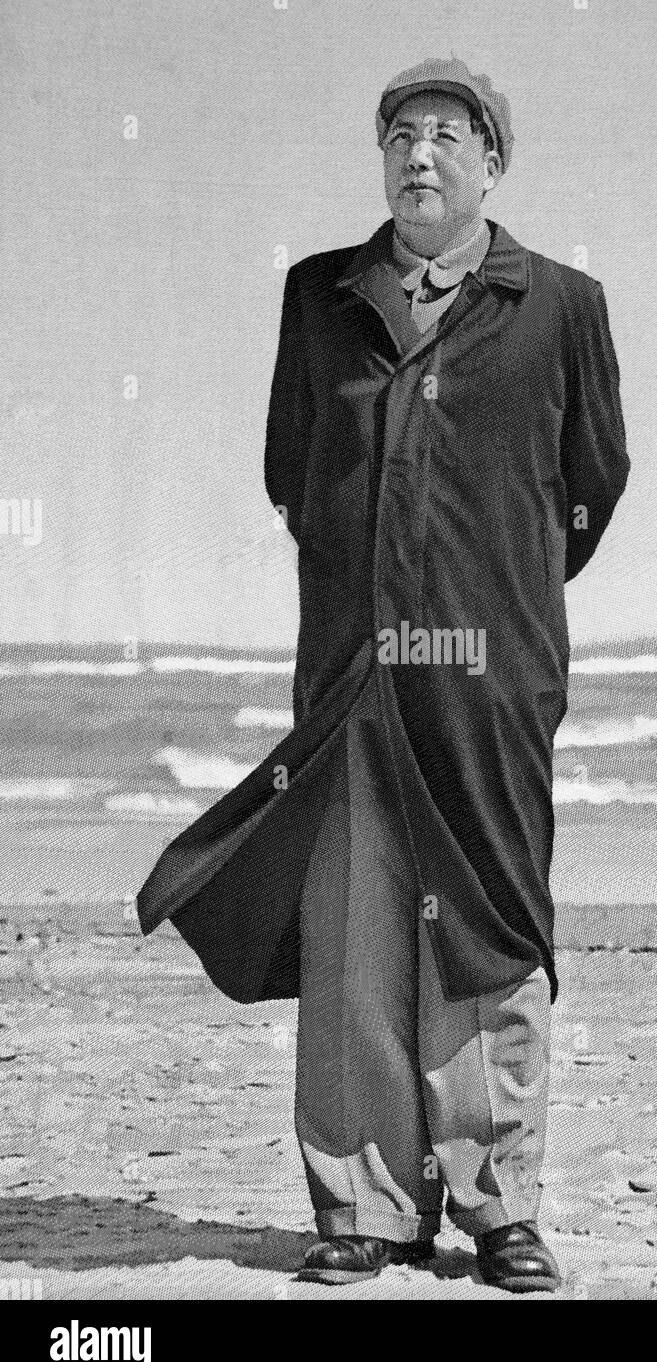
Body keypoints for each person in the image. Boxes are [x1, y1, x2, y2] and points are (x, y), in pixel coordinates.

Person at [136, 56, 631, 1293]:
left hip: (488, 677)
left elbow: (590, 484)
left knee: (489, 924)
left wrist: (491, 600)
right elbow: (292, 470)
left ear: (490, 164)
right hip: (351, 675)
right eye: (399, 137)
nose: (418, 156)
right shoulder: (322, 296)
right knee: (356, 932)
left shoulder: (562, 305)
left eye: (445, 138)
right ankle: (361, 1206)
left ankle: (499, 1205)